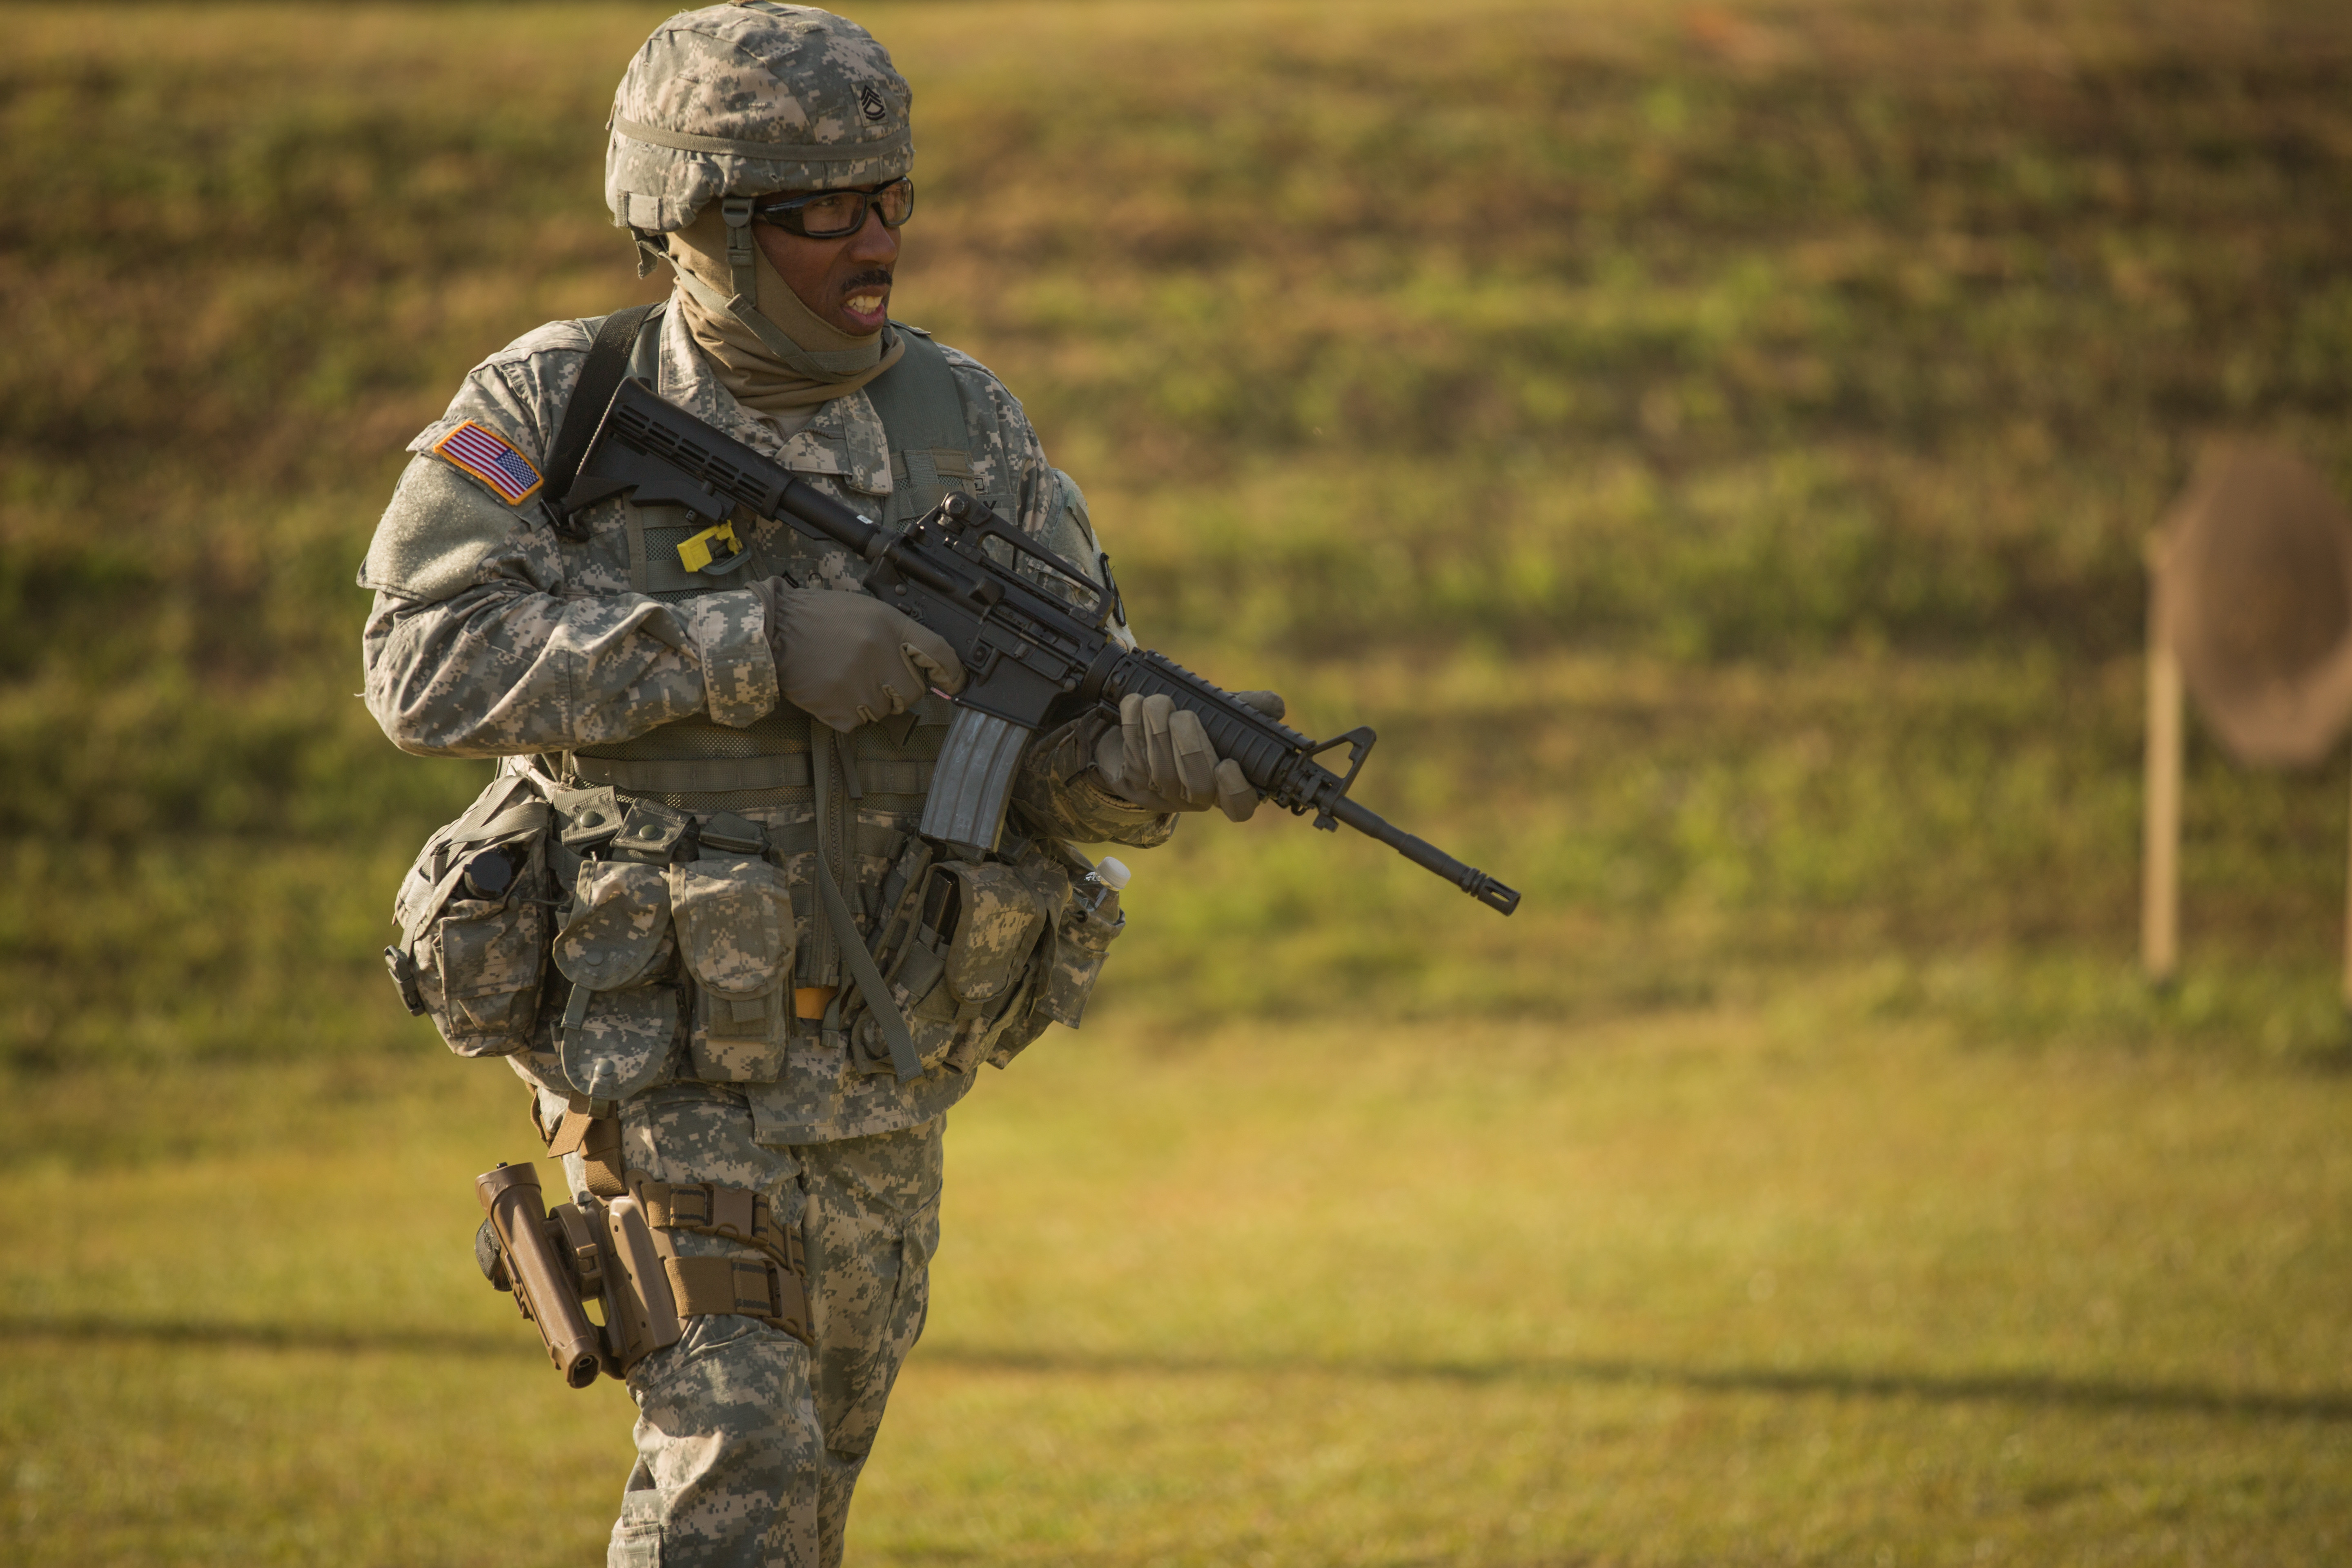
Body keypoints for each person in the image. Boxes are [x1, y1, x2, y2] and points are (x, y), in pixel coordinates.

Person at [359, 6, 1276, 1564]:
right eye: (818, 210)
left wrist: (1145, 767)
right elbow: (422, 662)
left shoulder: (966, 426)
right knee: (736, 1490)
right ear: (697, 223)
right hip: (669, 1062)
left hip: (883, 1074)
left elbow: (1051, 756)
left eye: (892, 198)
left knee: (806, 1500)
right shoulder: (562, 407)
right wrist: (754, 644)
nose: (873, 242)